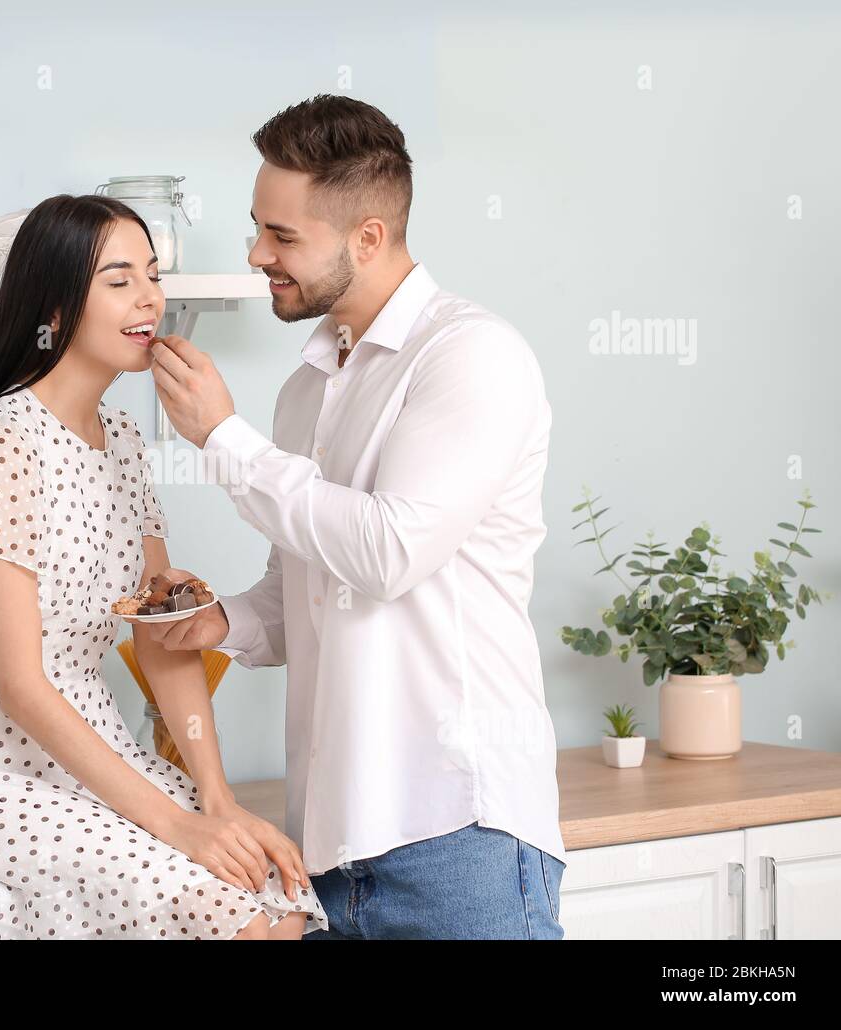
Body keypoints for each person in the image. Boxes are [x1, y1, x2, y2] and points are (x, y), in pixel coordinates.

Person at [146, 95, 568, 939]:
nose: (258, 253)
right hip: (332, 849)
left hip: (460, 835)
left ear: (367, 237)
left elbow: (387, 552)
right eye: (257, 228)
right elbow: (302, 591)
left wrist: (223, 439)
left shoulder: (471, 356)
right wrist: (219, 622)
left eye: (284, 236)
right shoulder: (308, 387)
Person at [0, 193, 329, 939]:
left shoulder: (121, 440)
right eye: (119, 281)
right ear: (55, 304)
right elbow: (20, 686)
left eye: (152, 274)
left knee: (273, 900)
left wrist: (214, 797)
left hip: (92, 754)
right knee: (224, 910)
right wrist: (178, 828)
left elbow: (163, 637)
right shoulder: (5, 440)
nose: (149, 297)